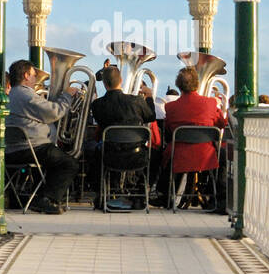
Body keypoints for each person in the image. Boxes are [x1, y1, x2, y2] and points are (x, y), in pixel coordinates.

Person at [5, 59, 80, 214]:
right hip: (30, 148)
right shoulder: (25, 94)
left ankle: (30, 198)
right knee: (69, 164)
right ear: (26, 75)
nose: (35, 79)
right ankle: (46, 199)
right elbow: (53, 112)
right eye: (33, 75)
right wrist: (66, 96)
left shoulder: (13, 94)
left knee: (54, 160)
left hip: (15, 149)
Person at [88, 65, 157, 208]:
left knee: (93, 151)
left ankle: (103, 192)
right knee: (156, 155)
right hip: (136, 155)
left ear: (105, 84)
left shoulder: (97, 105)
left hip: (109, 155)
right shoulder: (137, 101)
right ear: (121, 80)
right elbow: (151, 117)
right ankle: (139, 193)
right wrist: (149, 97)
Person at [157, 67, 227, 204]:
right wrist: (220, 108)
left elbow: (169, 130)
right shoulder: (211, 103)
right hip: (206, 156)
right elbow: (221, 125)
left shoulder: (170, 107)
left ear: (178, 84)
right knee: (223, 156)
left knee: (163, 153)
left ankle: (165, 194)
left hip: (178, 155)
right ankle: (218, 196)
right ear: (198, 84)